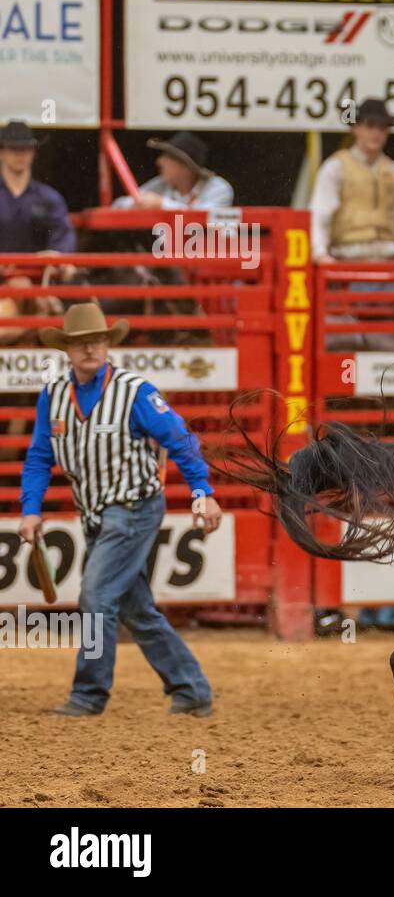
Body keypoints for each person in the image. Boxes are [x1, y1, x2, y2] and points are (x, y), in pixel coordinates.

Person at [20, 303, 223, 716]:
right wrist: (30, 509)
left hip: (133, 508)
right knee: (133, 607)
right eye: (80, 343)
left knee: (95, 596)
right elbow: (40, 456)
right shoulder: (54, 395)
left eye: (96, 340)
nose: (89, 348)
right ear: (67, 350)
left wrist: (203, 491)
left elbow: (180, 439)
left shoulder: (135, 391)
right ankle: (191, 688)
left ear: (107, 344)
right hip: (97, 513)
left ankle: (88, 694)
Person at [310, 97, 394, 354]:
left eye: (381, 127)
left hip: (387, 265)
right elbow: (319, 215)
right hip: (347, 264)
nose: (375, 132)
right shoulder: (335, 168)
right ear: (356, 128)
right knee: (343, 335)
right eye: (370, 125)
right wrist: (320, 254)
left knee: (387, 335)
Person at [0, 120, 76, 346]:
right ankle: (32, 331)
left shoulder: (49, 199)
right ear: (2, 152)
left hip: (41, 285)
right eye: (13, 149)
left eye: (25, 149)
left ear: (33, 153)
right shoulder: (49, 198)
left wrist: (56, 256)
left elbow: (63, 242)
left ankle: (30, 330)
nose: (19, 155)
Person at [112, 131, 234, 210]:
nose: (159, 161)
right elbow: (118, 205)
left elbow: (204, 218)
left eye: (167, 157)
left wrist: (161, 204)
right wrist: (136, 203)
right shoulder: (161, 184)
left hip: (210, 249)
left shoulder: (219, 188)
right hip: (172, 249)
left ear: (185, 166)